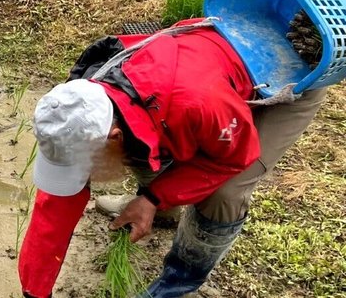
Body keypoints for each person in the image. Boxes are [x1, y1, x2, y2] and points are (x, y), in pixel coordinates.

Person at [18, 18, 329, 298]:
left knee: (224, 192)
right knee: (135, 149)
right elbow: (56, 202)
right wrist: (35, 291)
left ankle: (179, 282)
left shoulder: (197, 105)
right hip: (208, 79)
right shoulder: (81, 102)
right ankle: (162, 211)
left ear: (112, 135)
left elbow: (231, 159)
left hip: (289, 75)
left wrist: (152, 198)